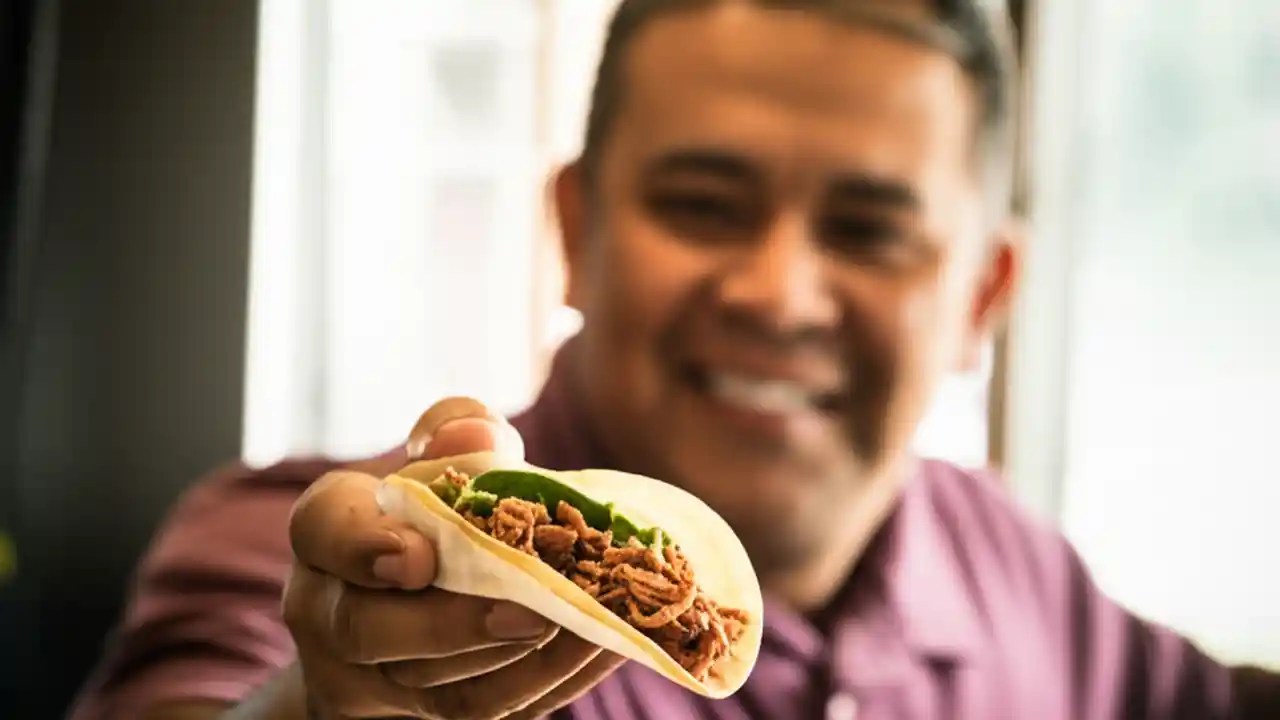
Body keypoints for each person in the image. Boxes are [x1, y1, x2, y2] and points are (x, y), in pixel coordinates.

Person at [67, 1, 1280, 718]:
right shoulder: (321, 558)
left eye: (867, 231)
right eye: (702, 204)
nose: (776, 294)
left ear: (980, 298)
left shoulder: (1011, 570)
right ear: (574, 229)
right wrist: (323, 700)